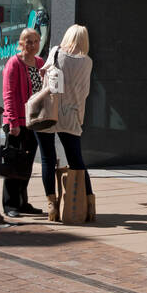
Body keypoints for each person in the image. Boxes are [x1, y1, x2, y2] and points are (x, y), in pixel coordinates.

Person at [36, 24, 96, 223]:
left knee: (47, 159)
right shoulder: (87, 62)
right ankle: (89, 206)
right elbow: (85, 92)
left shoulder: (55, 53)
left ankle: (52, 206)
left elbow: (44, 79)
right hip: (71, 116)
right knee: (77, 160)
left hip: (49, 113)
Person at [1, 27, 45, 216]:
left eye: (35, 41)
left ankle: (22, 202)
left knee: (26, 165)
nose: (32, 45)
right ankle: (10, 205)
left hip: (34, 121)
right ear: (21, 43)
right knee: (14, 166)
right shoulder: (14, 63)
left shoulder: (40, 62)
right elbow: (8, 94)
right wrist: (12, 123)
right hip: (17, 122)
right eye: (28, 41)